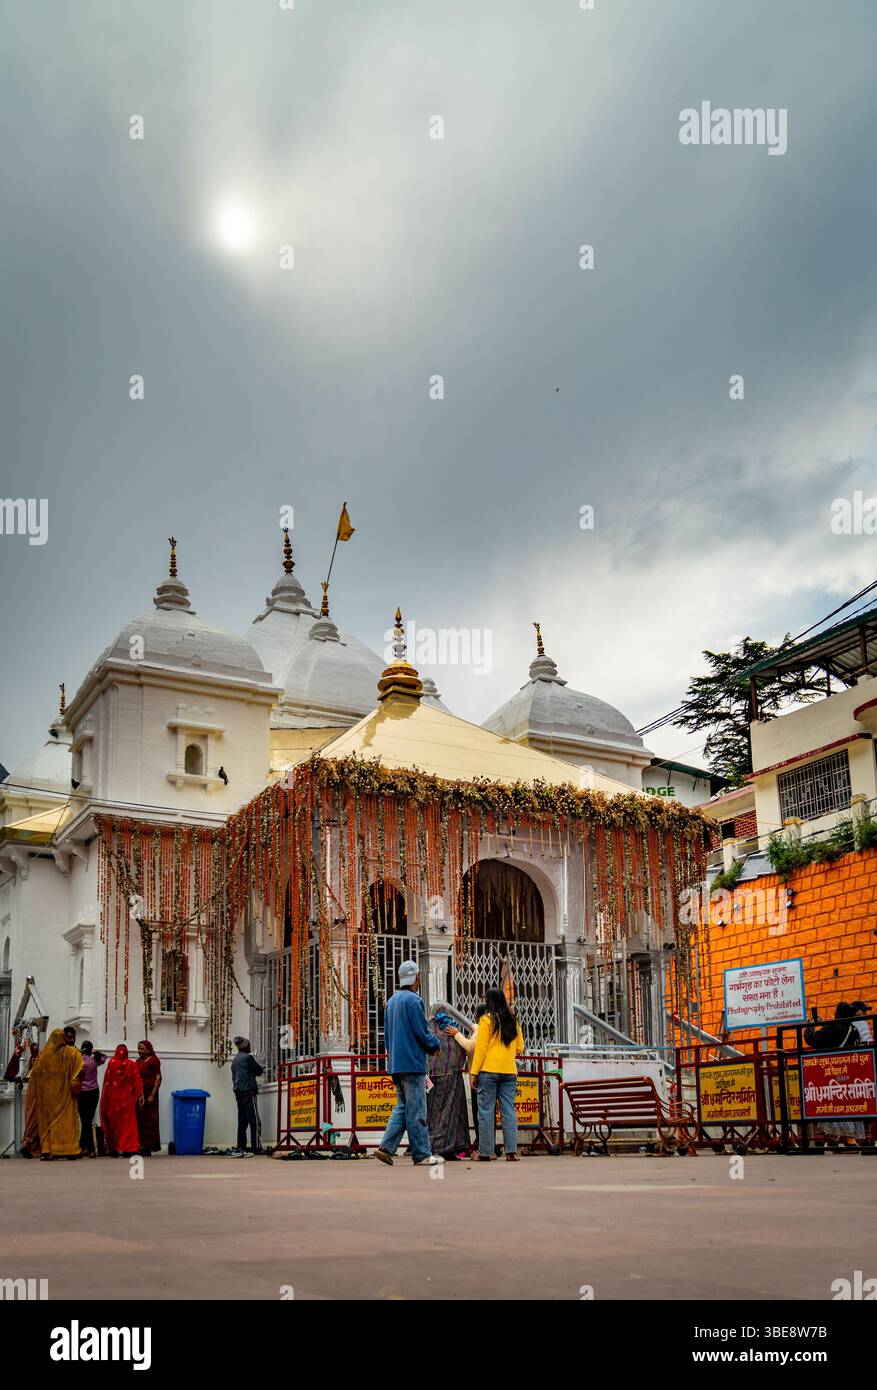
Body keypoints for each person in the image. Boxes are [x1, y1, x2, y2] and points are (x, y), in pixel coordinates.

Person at [374, 960, 442, 1167]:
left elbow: (387, 1037)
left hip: (396, 1063)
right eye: (419, 977)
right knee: (417, 1111)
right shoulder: (414, 1001)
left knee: (403, 1107)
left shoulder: (392, 1002)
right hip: (412, 1064)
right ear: (414, 978)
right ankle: (422, 1154)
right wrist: (435, 1043)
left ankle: (386, 1147)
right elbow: (422, 1033)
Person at [470, 988, 524, 1162]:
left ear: (489, 1002)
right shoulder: (513, 1021)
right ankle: (511, 1152)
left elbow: (481, 1049)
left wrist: (474, 1072)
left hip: (488, 1071)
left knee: (486, 1111)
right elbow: (520, 1048)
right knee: (508, 1110)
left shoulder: (486, 1020)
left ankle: (486, 1152)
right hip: (509, 1071)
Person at [804, 1003, 865, 1148]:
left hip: (833, 1073)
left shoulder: (833, 1027)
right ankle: (850, 1140)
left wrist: (809, 1027)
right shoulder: (853, 1029)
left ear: (837, 1014)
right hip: (850, 1073)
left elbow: (813, 1039)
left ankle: (833, 1138)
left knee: (832, 1104)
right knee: (849, 1104)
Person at [20, 1028, 84, 1160]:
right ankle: (70, 1150)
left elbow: (34, 1077)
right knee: (67, 1123)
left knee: (48, 1126)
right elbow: (80, 1069)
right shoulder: (72, 1053)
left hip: (47, 1101)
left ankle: (48, 1150)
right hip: (66, 1098)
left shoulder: (43, 1056)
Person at [426, 1011, 470, 1159]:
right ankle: (450, 1147)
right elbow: (463, 1050)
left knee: (433, 1113)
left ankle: (433, 1146)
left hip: (432, 1076)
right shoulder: (452, 1027)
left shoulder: (427, 1027)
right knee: (452, 1112)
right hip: (452, 1074)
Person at [447, 1003, 487, 1151]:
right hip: (486, 1072)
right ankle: (486, 1142)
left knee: (480, 1111)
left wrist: (457, 1033)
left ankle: (484, 1144)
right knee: (484, 1111)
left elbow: (470, 1046)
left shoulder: (482, 1028)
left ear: (477, 1016)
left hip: (479, 1075)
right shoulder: (486, 1028)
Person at [100, 1045, 143, 1156]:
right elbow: (137, 1082)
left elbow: (107, 1082)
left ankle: (114, 1148)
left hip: (113, 1100)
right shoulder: (131, 1064)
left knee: (114, 1124)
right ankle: (129, 1148)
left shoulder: (112, 1064)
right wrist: (139, 1096)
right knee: (128, 1124)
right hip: (127, 1100)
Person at [231, 1036, 264, 1155]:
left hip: (239, 1093)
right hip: (249, 1093)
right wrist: (261, 1065)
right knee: (255, 1121)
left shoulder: (235, 1060)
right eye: (249, 1045)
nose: (250, 1047)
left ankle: (241, 1146)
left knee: (242, 1122)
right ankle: (256, 1147)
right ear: (246, 1047)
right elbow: (259, 1071)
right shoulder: (248, 1058)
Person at [77, 1042, 107, 1157]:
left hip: (81, 1093)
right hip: (93, 1092)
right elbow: (104, 1058)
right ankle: (88, 1149)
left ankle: (85, 1148)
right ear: (90, 1050)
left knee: (84, 1120)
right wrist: (97, 1052)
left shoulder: (78, 1060)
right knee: (88, 1121)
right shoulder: (94, 1060)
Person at [136, 1040, 162, 1155]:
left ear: (148, 1049)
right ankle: (142, 1144)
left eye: (142, 1049)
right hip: (140, 1093)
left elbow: (158, 1078)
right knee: (140, 1118)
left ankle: (149, 1146)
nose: (140, 1051)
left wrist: (152, 1094)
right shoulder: (138, 1062)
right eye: (139, 1048)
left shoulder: (154, 1061)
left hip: (150, 1093)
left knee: (150, 1120)